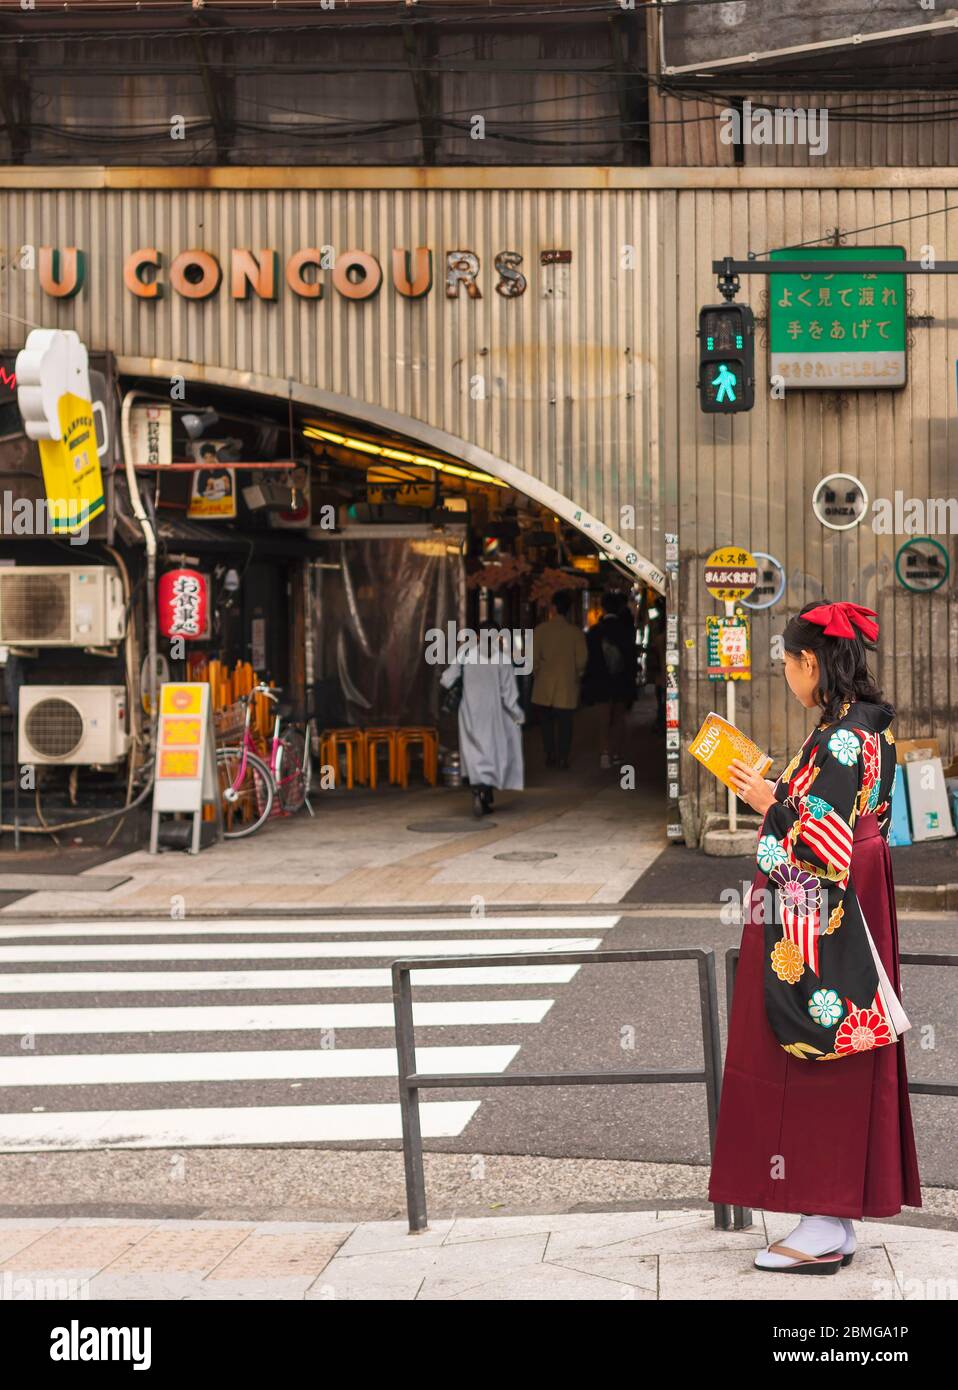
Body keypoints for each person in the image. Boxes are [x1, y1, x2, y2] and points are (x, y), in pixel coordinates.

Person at [707, 599, 921, 1274]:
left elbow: (818, 841)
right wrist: (779, 793)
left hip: (824, 906)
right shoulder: (865, 730)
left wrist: (771, 805)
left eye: (788, 665)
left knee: (809, 1043)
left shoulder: (835, 739)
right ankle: (833, 1212)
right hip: (853, 895)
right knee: (841, 1044)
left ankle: (824, 1217)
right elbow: (836, 814)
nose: (787, 677)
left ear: (811, 663)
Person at [440, 630, 524, 818]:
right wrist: (518, 716)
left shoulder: (466, 654)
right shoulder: (502, 659)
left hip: (469, 712)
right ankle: (484, 793)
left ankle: (478, 791)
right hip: (494, 714)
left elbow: (446, 680)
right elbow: (509, 695)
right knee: (492, 754)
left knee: (474, 754)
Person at [530, 589, 587, 769]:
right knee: (565, 725)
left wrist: (538, 672)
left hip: (544, 685)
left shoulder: (540, 630)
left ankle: (549, 754)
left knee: (546, 724)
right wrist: (576, 674)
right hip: (567, 685)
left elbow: (532, 659)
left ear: (553, 608)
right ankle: (563, 757)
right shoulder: (575, 633)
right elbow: (582, 660)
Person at [583, 591, 637, 767]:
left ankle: (604, 753)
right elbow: (631, 658)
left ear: (603, 608)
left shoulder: (594, 632)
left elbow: (589, 659)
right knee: (619, 718)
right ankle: (617, 754)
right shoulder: (627, 630)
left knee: (604, 718)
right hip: (622, 681)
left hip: (601, 681)